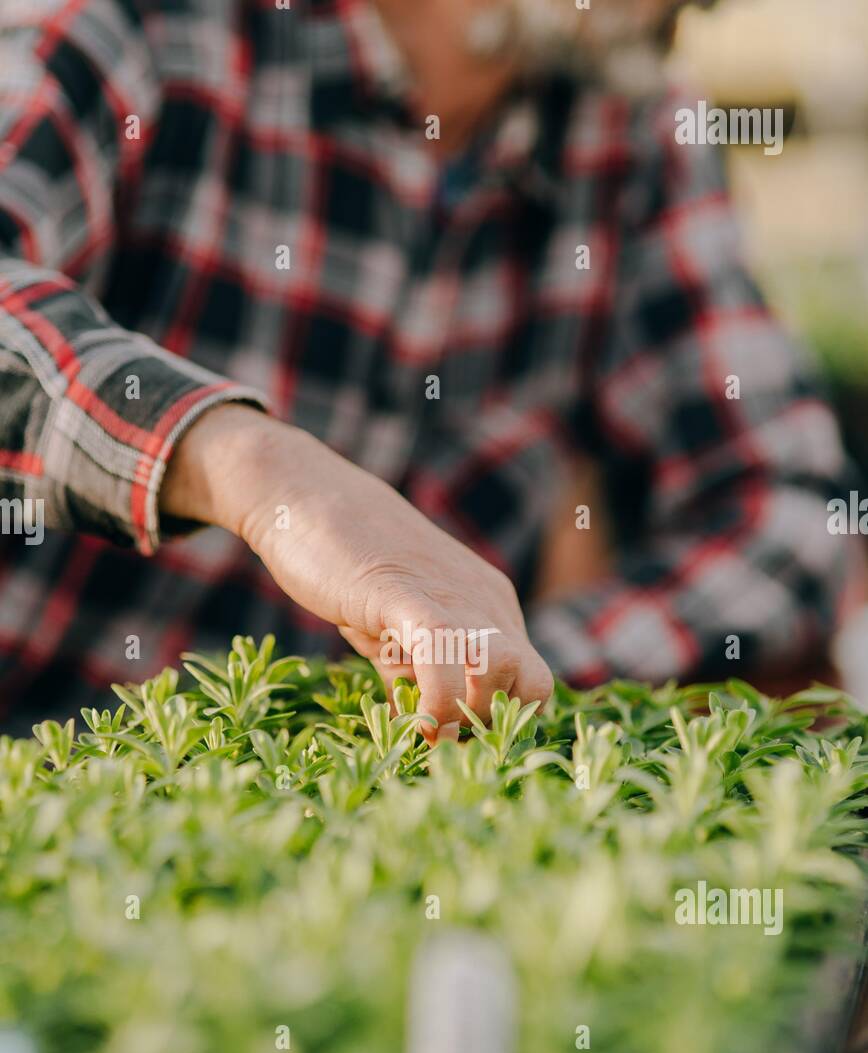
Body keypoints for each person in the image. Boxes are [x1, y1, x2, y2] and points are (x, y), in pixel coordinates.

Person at [0, 0, 846, 739]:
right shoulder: (138, 27)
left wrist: (512, 675)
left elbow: (784, 508)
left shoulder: (631, 126)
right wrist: (258, 472)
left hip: (329, 859)